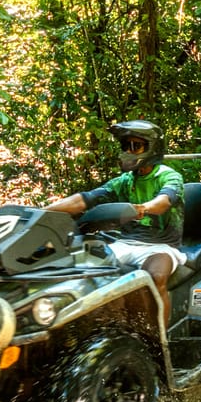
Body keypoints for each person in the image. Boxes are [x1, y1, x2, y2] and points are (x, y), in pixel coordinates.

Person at [46, 120, 185, 323]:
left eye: (136, 146)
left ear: (152, 147)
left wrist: (143, 208)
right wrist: (42, 211)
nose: (129, 151)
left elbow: (163, 202)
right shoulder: (125, 181)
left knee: (155, 277)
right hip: (125, 243)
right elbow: (84, 200)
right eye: (126, 146)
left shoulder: (168, 176)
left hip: (160, 246)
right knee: (86, 268)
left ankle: (160, 337)